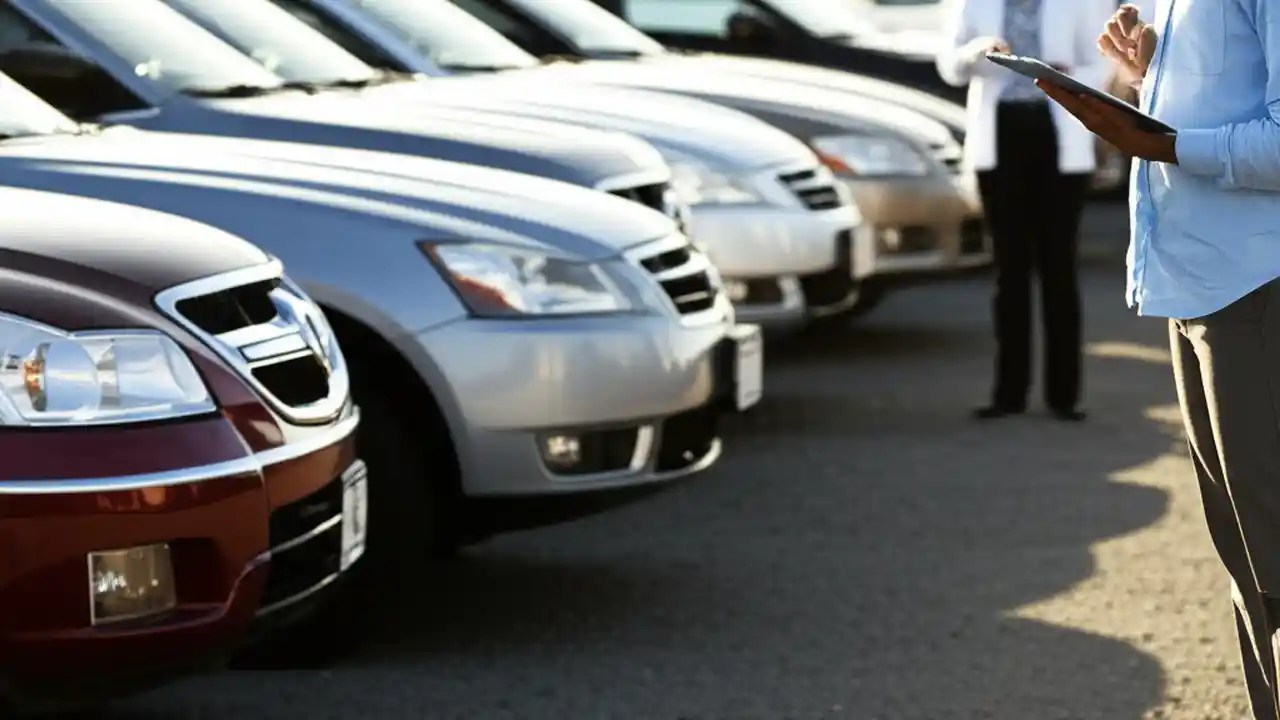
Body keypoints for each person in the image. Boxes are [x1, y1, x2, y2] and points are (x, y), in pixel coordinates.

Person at [1038, 2, 1280, 717]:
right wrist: (1154, 80)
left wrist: (1162, 143)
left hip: (1256, 285)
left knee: (1275, 554)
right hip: (1200, 283)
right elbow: (1226, 100)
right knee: (1246, 554)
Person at [938, 0, 1116, 422]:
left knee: (1059, 268)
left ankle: (1064, 396)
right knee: (1009, 270)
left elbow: (1101, 63)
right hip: (999, 139)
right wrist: (979, 50)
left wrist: (1065, 76)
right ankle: (1008, 393)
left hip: (1058, 139)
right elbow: (949, 65)